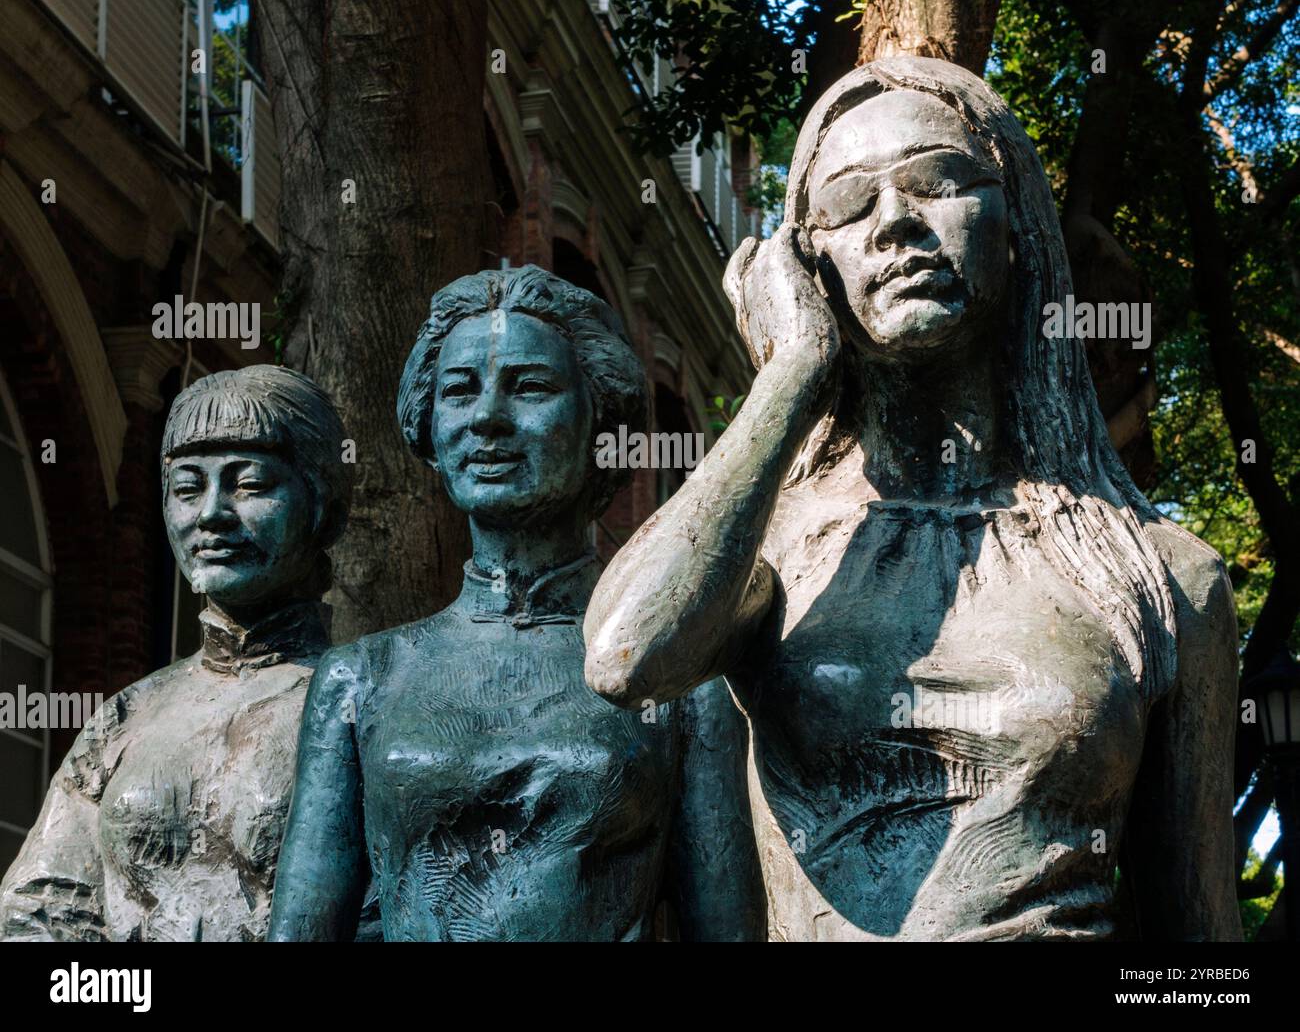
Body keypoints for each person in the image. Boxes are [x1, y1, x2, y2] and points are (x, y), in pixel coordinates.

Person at [583, 58, 1242, 941]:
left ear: (1017, 228)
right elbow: (625, 655)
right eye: (852, 204)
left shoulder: (1166, 575)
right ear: (806, 266)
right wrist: (791, 376)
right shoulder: (770, 547)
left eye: (938, 182)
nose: (896, 222)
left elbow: (1199, 939)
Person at [268, 266, 762, 941]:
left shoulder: (679, 686)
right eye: (460, 390)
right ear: (430, 430)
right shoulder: (361, 679)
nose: (489, 418)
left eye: (529, 386)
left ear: (599, 422)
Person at [0, 365, 353, 941]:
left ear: (322, 507)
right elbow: (37, 909)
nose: (211, 514)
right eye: (188, 488)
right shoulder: (124, 719)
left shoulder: (367, 702)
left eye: (251, 485)